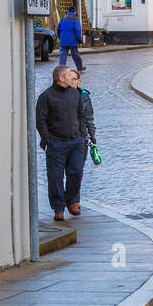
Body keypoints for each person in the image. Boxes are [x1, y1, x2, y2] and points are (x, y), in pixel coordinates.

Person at [36, 65, 95, 221]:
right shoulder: (46, 97)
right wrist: (48, 140)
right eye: (70, 76)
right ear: (61, 78)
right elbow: (40, 120)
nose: (73, 78)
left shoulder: (75, 94)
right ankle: (58, 208)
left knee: (76, 172)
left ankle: (72, 200)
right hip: (56, 142)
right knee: (55, 177)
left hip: (76, 141)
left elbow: (81, 115)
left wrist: (83, 135)